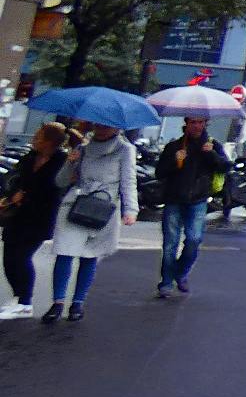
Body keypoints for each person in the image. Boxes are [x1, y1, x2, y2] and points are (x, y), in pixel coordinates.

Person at [45, 125, 139, 322]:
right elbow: (60, 182)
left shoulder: (125, 149)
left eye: (108, 126)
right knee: (64, 251)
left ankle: (78, 303)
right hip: (76, 203)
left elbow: (128, 181)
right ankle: (57, 303)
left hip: (103, 208)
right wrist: (69, 163)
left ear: (117, 127)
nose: (102, 129)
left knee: (90, 255)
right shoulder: (82, 148)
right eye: (99, 124)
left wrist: (131, 210)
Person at [153, 118, 232, 297]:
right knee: (170, 244)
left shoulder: (212, 145)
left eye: (200, 122)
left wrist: (211, 154)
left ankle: (180, 273)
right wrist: (175, 161)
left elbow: (226, 167)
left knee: (194, 240)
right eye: (193, 122)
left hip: (198, 201)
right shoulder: (174, 146)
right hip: (174, 200)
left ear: (205, 124)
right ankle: (166, 282)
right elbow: (160, 173)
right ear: (186, 124)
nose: (197, 126)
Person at [1, 122, 70, 313]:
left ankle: (25, 301)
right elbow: (14, 179)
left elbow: (60, 188)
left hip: (40, 217)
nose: (34, 141)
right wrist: (13, 195)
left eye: (38, 138)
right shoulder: (29, 157)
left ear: (50, 142)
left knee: (22, 257)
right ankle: (18, 297)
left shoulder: (62, 161)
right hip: (17, 214)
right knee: (9, 258)